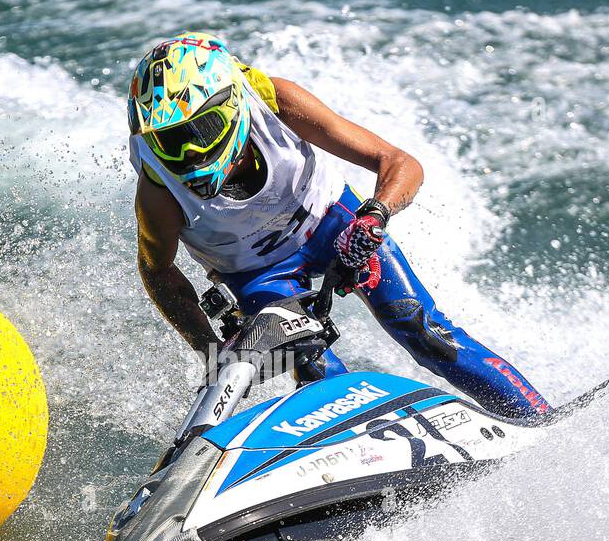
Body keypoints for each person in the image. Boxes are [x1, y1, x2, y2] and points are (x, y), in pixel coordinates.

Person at [127, 31, 550, 419]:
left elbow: (399, 163)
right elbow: (158, 270)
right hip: (257, 274)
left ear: (232, 108)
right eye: (169, 140)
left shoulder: (276, 102)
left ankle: (539, 419)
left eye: (201, 129)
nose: (189, 152)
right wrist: (212, 352)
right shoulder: (158, 194)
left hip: (335, 224)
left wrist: (375, 216)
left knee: (422, 331)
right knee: (319, 376)